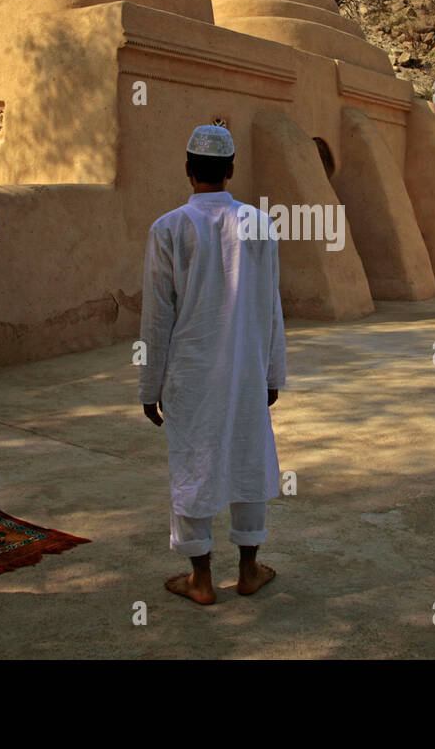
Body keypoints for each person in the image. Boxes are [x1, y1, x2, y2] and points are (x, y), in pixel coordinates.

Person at [139, 123, 285, 606]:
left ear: (188, 169)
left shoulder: (169, 228)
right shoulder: (260, 224)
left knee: (193, 462)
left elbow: (157, 316)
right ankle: (248, 569)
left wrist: (149, 385)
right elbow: (271, 307)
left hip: (190, 374)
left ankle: (200, 578)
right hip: (245, 371)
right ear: (231, 170)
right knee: (247, 456)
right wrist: (272, 374)